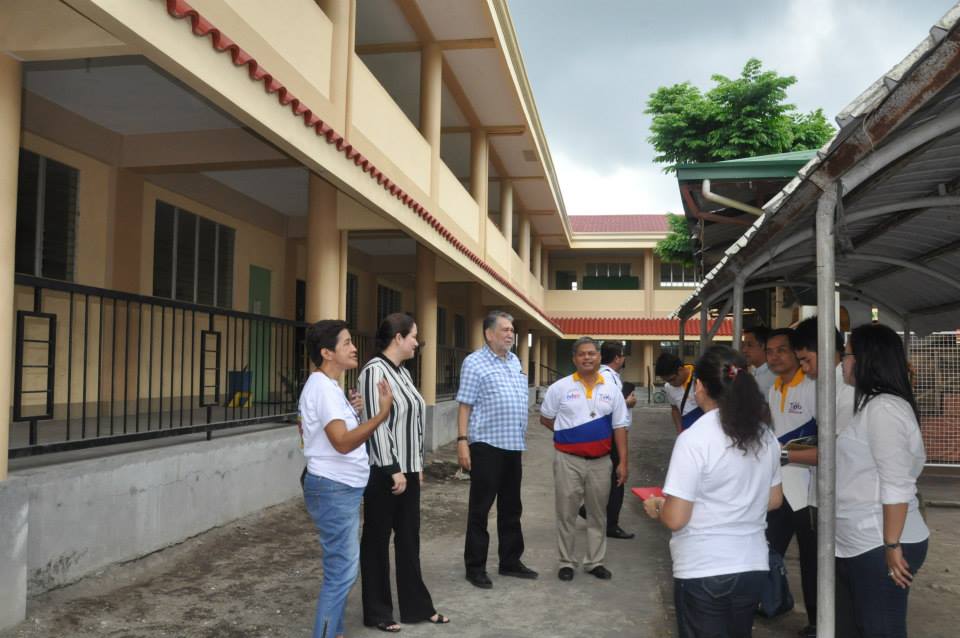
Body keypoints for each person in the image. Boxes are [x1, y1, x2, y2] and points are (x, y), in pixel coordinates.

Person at [644, 345, 783, 637]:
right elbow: (773, 499)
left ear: (700, 386)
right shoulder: (765, 436)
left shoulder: (695, 439)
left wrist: (657, 506)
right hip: (752, 566)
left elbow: (676, 518)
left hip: (704, 567)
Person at [299, 320, 394, 638]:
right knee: (341, 572)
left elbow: (323, 432)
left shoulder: (329, 387)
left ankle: (334, 631)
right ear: (327, 352)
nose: (354, 348)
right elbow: (341, 442)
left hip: (339, 488)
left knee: (341, 568)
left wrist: (354, 412)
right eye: (347, 343)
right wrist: (381, 415)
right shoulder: (324, 389)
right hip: (334, 489)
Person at [836, 323, 929, 637]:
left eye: (847, 355)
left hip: (879, 539)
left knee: (882, 628)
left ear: (866, 360)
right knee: (870, 625)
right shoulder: (874, 406)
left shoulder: (884, 410)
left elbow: (896, 484)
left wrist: (892, 544)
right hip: (866, 538)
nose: (842, 362)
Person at [358, 313, 449, 632]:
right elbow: (376, 423)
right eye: (414, 337)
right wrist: (392, 468)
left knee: (409, 540)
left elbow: (414, 425)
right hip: (385, 471)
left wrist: (416, 467)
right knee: (377, 541)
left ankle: (416, 607)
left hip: (407, 470)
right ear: (398, 337)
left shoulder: (404, 373)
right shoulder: (373, 372)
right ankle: (377, 611)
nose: (416, 343)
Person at [456, 310, 538, 588]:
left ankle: (510, 561)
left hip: (513, 445)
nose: (510, 334)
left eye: (511, 329)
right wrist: (462, 441)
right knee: (480, 509)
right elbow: (465, 404)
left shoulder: (515, 361)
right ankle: (475, 567)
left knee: (511, 507)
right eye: (504, 329)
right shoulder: (474, 363)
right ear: (489, 334)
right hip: (486, 446)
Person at [540, 337, 630, 582]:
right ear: (574, 359)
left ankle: (594, 562)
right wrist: (569, 437)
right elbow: (546, 418)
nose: (587, 357)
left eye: (592, 353)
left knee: (598, 513)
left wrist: (623, 462)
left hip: (602, 462)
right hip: (567, 460)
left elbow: (620, 426)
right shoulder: (560, 388)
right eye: (582, 354)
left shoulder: (612, 390)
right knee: (566, 512)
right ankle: (566, 561)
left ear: (599, 358)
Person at [764, 327, 818, 637]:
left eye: (781, 350)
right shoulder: (774, 389)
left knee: (812, 560)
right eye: (770, 352)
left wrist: (785, 452)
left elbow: (823, 441)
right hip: (779, 488)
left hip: (809, 491)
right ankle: (772, 601)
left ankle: (816, 620)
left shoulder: (812, 387)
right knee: (768, 549)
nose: (774, 357)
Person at [581, 340, 636, 540]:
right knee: (617, 479)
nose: (623, 359)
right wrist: (626, 402)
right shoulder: (606, 377)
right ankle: (611, 524)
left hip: (609, 432)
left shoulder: (609, 376)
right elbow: (605, 405)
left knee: (607, 478)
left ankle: (588, 509)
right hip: (611, 434)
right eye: (622, 356)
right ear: (617, 358)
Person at [656, 352, 702, 433]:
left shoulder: (701, 377)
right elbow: (675, 409)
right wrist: (680, 432)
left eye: (672, 379)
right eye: (666, 381)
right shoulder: (668, 387)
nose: (671, 383)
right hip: (688, 430)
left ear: (680, 370)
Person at [742, 325, 776, 397]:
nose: (744, 350)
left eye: (749, 345)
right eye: (744, 345)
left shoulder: (775, 376)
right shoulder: (752, 372)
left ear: (763, 346)